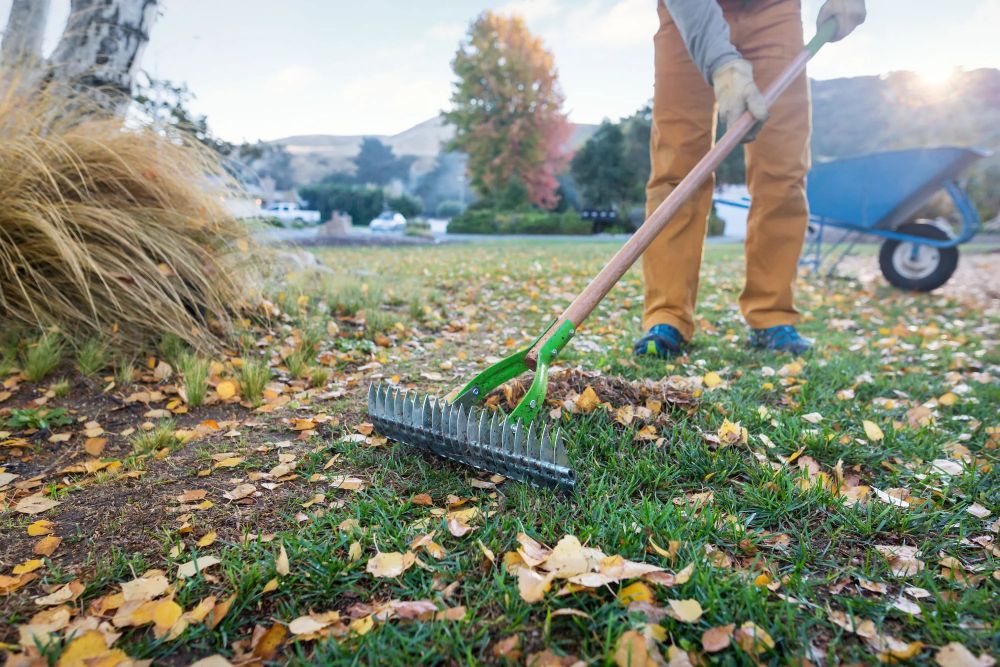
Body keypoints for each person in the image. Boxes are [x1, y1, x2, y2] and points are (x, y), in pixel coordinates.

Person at [634, 0, 865, 357]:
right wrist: (720, 63)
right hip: (690, 13)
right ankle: (667, 315)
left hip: (775, 10)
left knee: (782, 170)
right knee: (677, 169)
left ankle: (771, 315)